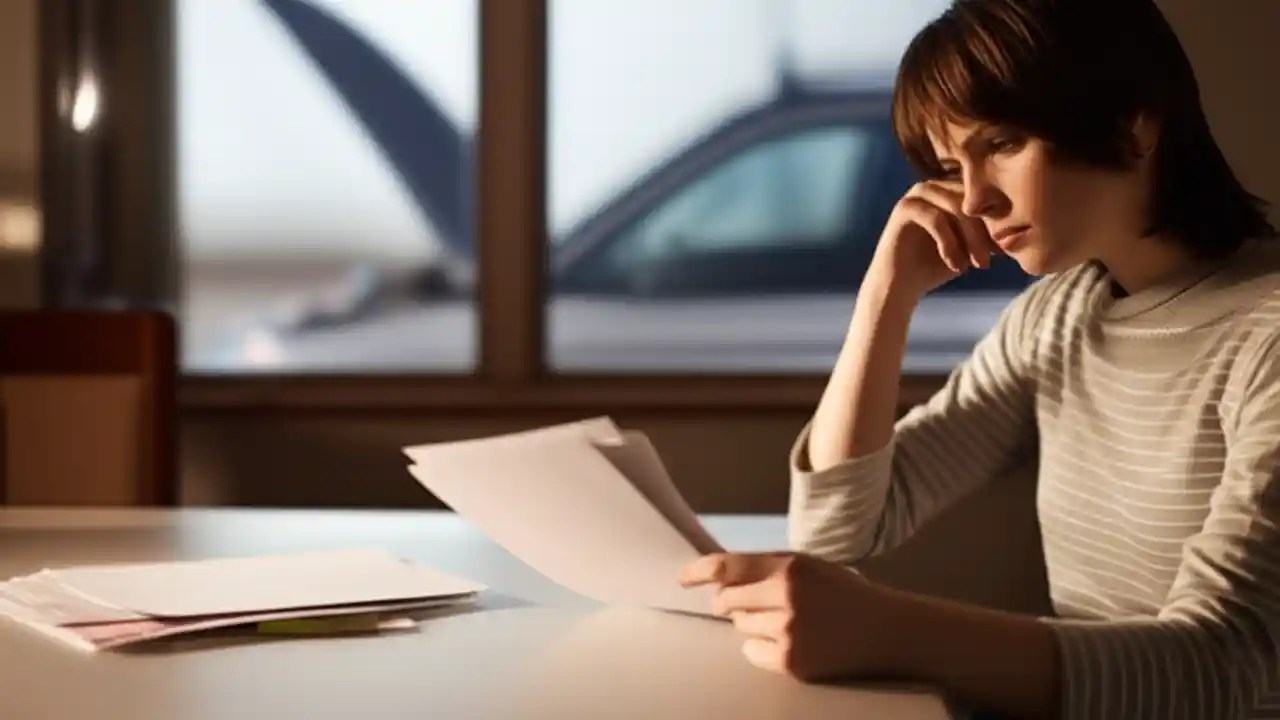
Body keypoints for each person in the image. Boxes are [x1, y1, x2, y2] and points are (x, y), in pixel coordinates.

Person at [679, 0, 1280, 718]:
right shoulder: (1057, 316)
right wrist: (886, 295)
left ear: (1133, 122)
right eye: (947, 165)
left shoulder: (1265, 337)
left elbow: (1222, 666)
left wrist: (888, 631)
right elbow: (839, 528)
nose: (973, 198)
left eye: (1001, 142)